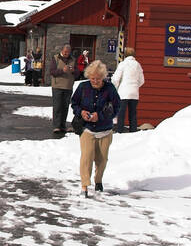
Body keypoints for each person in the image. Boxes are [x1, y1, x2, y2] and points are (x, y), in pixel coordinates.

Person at [71, 59, 121, 197]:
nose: (95, 81)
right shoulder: (83, 87)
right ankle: (84, 186)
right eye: (92, 78)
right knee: (86, 157)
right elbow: (74, 103)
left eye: (98, 79)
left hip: (105, 129)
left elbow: (116, 107)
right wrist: (81, 112)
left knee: (102, 159)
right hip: (87, 128)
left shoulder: (110, 88)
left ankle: (98, 180)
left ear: (103, 77)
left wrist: (100, 116)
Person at [112, 47, 144, 132]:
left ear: (125, 55)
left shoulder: (123, 64)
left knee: (121, 113)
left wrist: (115, 87)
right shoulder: (138, 65)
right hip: (134, 93)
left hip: (123, 92)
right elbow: (142, 81)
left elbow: (116, 79)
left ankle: (120, 130)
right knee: (133, 113)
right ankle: (133, 130)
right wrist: (136, 86)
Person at [50, 43, 76, 135]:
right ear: (62, 50)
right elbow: (52, 71)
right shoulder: (55, 58)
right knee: (57, 106)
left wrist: (73, 71)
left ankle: (62, 125)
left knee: (65, 107)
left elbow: (78, 73)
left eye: (68, 52)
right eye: (65, 52)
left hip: (68, 86)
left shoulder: (73, 59)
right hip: (57, 86)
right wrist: (62, 71)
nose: (66, 53)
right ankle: (56, 126)